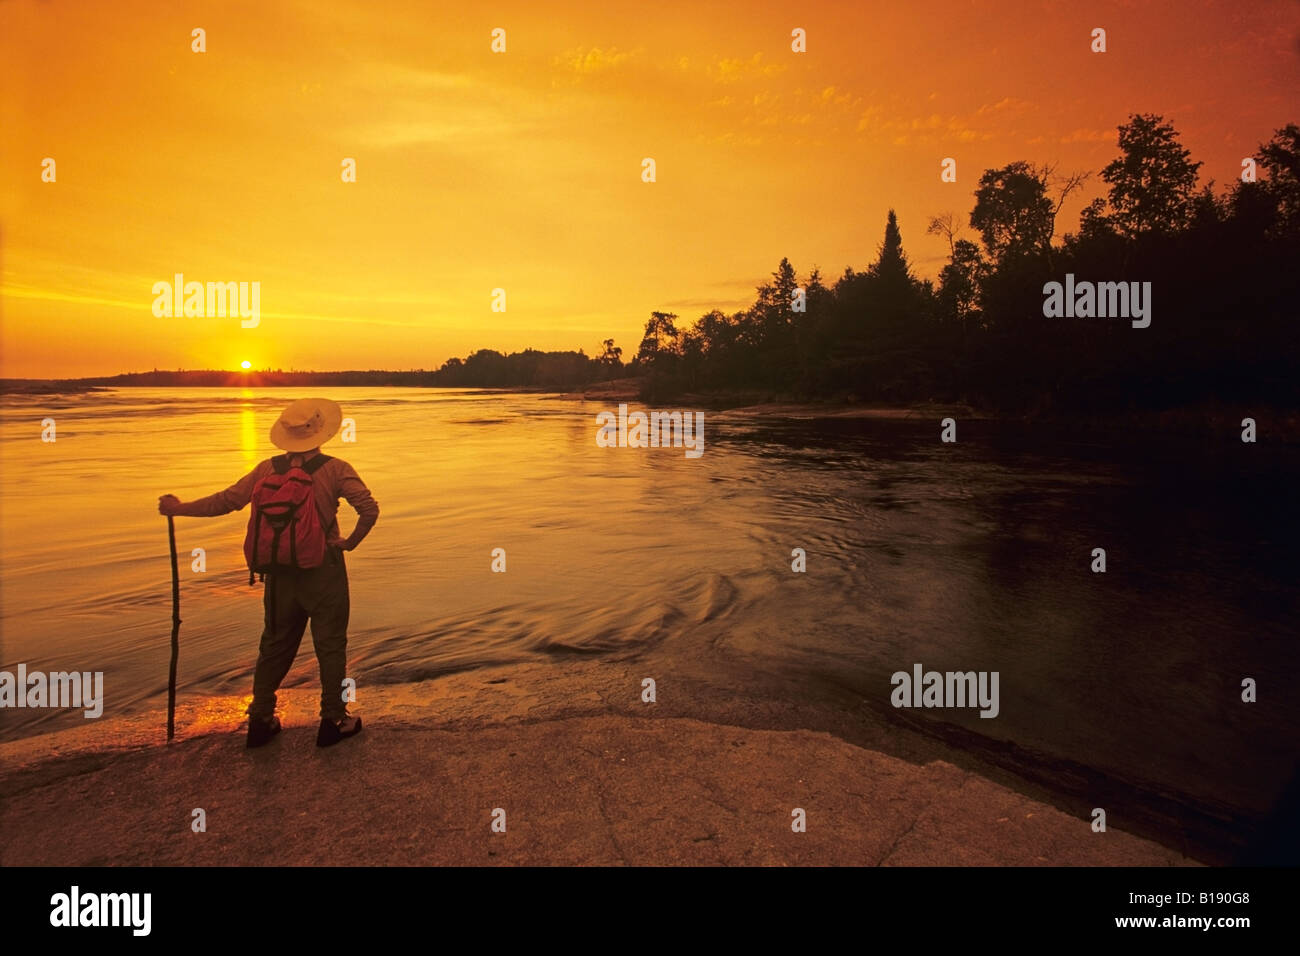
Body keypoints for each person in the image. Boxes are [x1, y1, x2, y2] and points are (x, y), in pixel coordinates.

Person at [158, 397, 379, 749]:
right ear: (320, 432)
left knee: (274, 645)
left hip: (278, 574)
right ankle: (333, 719)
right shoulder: (336, 469)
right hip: (323, 570)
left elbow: (226, 501)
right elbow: (368, 509)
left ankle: (260, 718)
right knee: (330, 645)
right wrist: (348, 542)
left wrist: (178, 508)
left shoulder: (266, 470)